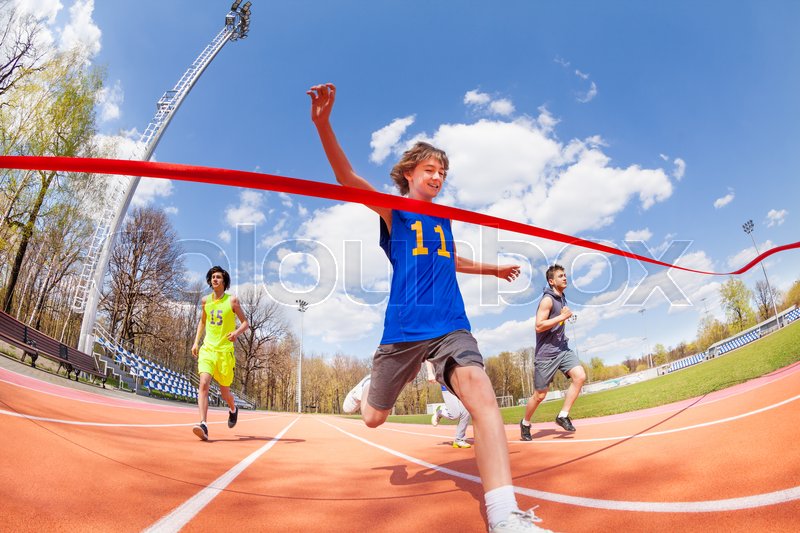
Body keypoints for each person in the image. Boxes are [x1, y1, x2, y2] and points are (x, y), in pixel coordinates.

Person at [308, 83, 553, 533]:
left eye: (442, 171)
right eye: (429, 169)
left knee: (481, 394)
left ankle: (504, 516)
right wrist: (324, 125)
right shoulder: (394, 209)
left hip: (450, 324)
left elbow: (450, 259)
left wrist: (494, 270)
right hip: (404, 327)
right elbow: (349, 181)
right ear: (408, 174)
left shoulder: (443, 217)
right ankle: (368, 387)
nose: (437, 177)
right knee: (374, 420)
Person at [520, 264, 586, 441]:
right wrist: (562, 317)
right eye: (561, 276)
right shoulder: (547, 300)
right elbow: (539, 325)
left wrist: (563, 317)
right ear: (551, 281)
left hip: (562, 349)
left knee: (580, 376)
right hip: (546, 355)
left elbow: (558, 322)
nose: (565, 278)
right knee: (540, 395)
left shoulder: (562, 297)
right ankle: (525, 423)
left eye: (565, 275)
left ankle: (563, 415)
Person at [191, 266, 249, 441]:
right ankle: (203, 424)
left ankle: (233, 409)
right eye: (212, 277)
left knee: (225, 394)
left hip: (225, 352)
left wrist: (236, 333)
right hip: (208, 349)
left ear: (224, 282)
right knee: (203, 384)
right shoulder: (205, 301)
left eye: (218, 277)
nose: (215, 279)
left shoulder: (232, 301)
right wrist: (196, 342)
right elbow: (202, 322)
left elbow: (246, 323)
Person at [426, 361, 472, 448]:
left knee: (466, 411)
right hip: (447, 383)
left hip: (461, 382)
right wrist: (430, 373)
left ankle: (459, 440)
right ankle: (440, 412)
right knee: (454, 415)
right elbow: (428, 356)